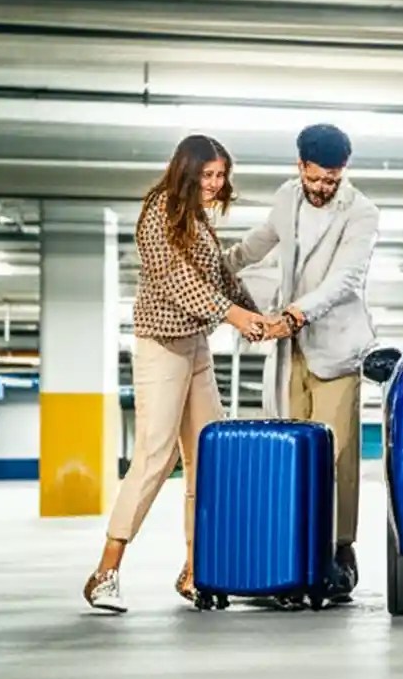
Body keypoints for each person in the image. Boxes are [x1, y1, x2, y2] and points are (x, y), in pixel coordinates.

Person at [83, 135, 266, 613]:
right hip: (161, 344)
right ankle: (105, 571)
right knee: (155, 456)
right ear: (185, 172)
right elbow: (178, 280)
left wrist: (258, 315)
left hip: (196, 345)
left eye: (221, 175)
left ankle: (195, 570)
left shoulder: (200, 221)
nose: (215, 183)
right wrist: (233, 315)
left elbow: (219, 277)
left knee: (211, 457)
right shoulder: (158, 211)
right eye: (207, 175)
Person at [223, 123, 380, 604]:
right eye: (315, 178)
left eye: (331, 180)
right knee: (290, 452)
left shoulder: (362, 213)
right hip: (291, 349)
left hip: (335, 346)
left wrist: (294, 314)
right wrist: (218, 264)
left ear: (343, 171)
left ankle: (338, 554)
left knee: (335, 458)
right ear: (300, 166)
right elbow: (260, 242)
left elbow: (345, 280)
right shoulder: (287, 198)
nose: (322, 188)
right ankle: (289, 556)